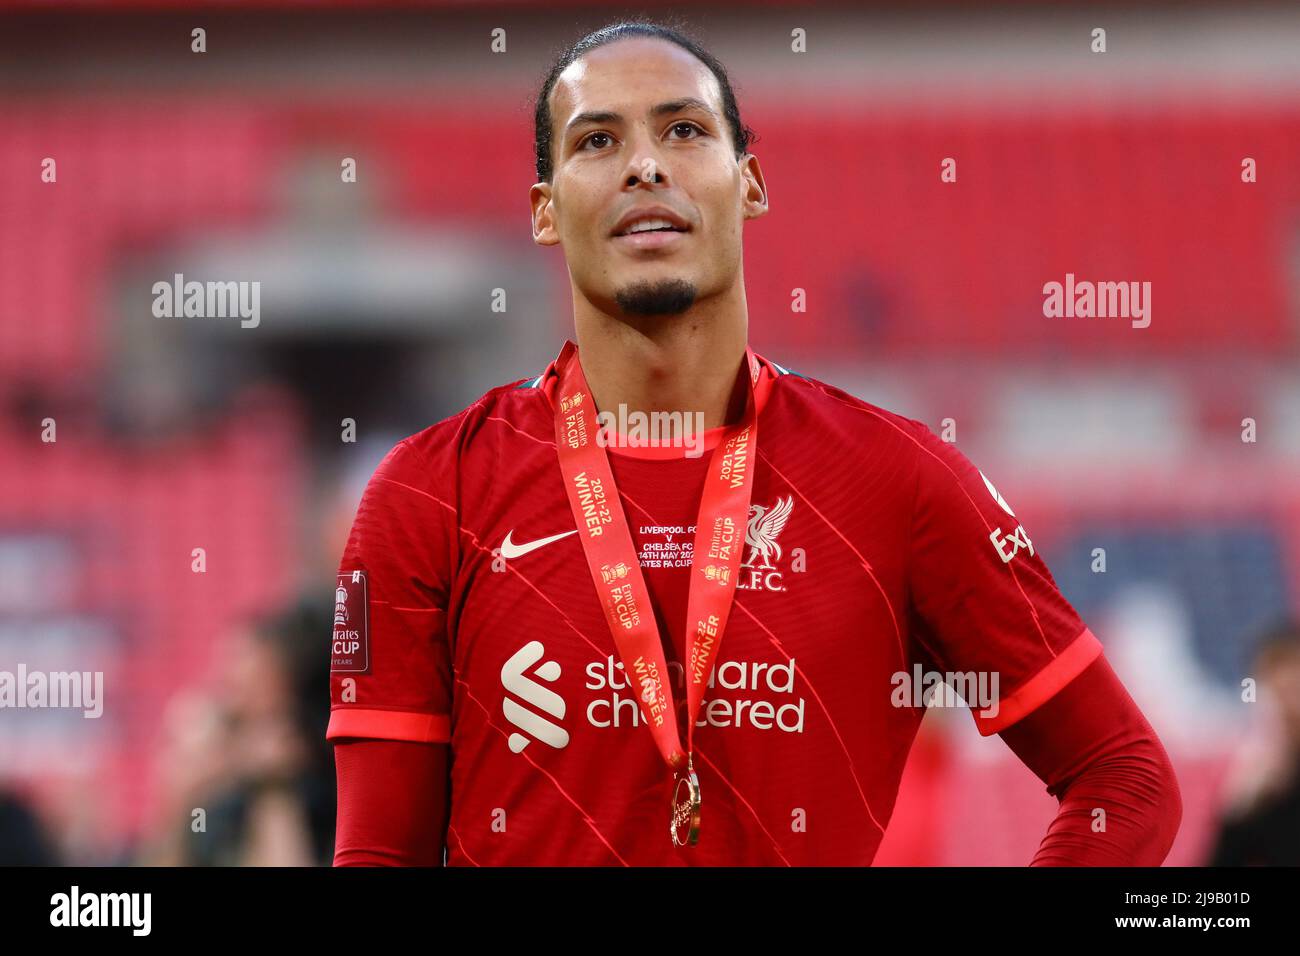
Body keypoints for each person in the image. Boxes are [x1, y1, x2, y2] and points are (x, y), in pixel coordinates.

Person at [328, 19, 1181, 866]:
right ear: (546, 213)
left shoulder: (898, 482)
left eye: (685, 130)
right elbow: (377, 854)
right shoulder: (430, 492)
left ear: (751, 183)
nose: (645, 164)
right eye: (597, 140)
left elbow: (1124, 775)